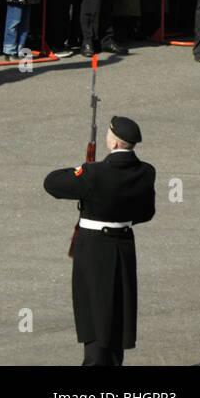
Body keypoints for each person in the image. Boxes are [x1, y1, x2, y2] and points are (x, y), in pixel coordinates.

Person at [44, 116, 156, 366]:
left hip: (93, 247)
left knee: (93, 312)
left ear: (114, 143)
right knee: (117, 310)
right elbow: (146, 212)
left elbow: (51, 183)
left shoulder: (95, 173)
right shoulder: (146, 172)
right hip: (124, 245)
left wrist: (81, 168)